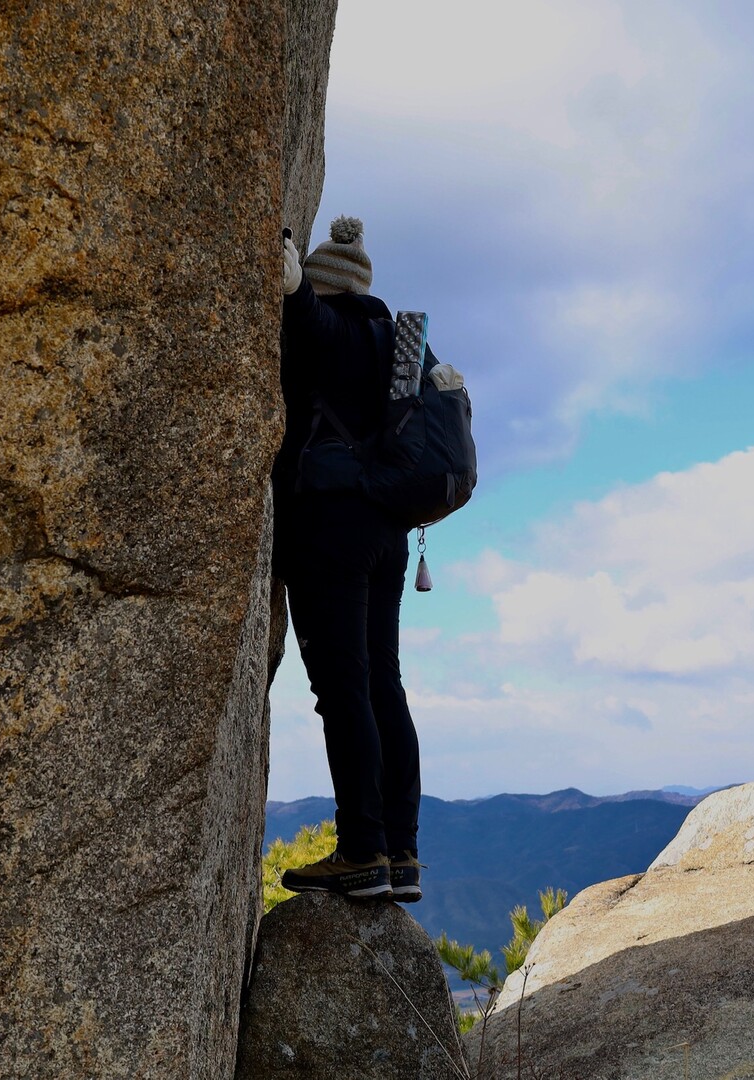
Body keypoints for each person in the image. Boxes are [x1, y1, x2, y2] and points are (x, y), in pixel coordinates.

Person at [273, 216, 423, 902]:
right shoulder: (397, 344)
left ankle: (361, 850)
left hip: (332, 528)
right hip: (388, 533)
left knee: (344, 692)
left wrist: (294, 280)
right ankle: (401, 851)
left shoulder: (340, 334)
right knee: (383, 685)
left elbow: (314, 328)